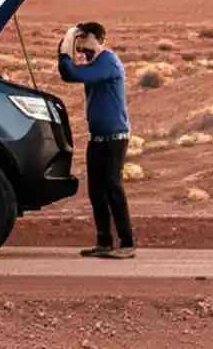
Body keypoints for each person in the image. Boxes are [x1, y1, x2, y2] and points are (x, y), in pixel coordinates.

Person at [57, 22, 135, 259]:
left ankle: (127, 243)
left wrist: (68, 41)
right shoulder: (93, 65)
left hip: (114, 138)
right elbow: (67, 72)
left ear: (94, 37)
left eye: (82, 38)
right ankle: (104, 242)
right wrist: (67, 45)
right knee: (96, 192)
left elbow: (70, 72)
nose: (79, 46)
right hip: (98, 138)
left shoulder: (108, 62)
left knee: (113, 188)